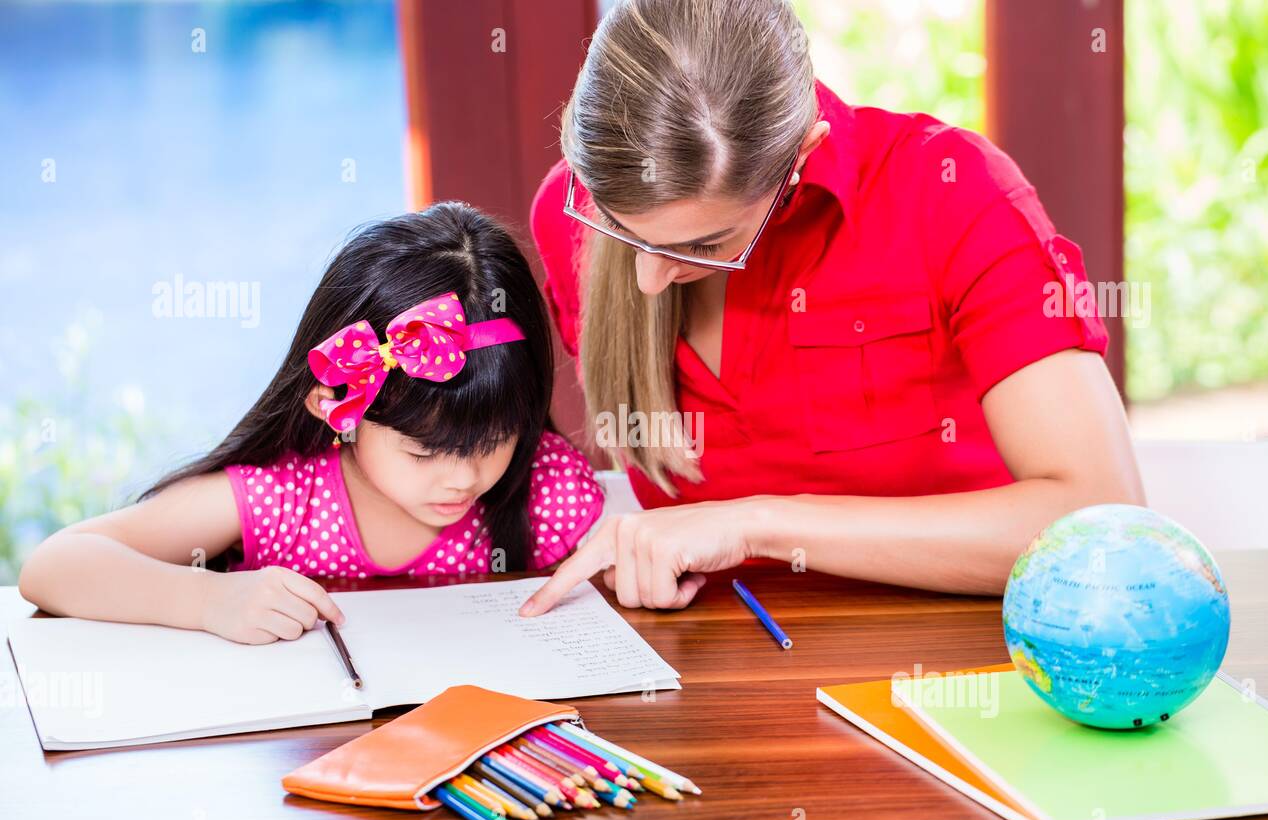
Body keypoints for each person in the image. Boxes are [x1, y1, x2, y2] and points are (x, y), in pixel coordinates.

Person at [519, 0, 1142, 616]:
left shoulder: (950, 190)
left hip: (959, 654)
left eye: (705, 244)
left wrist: (755, 526)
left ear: (801, 157)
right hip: (712, 670)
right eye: (623, 232)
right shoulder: (562, 212)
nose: (648, 281)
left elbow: (1100, 524)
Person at [20, 203, 604, 643]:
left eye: (494, 441)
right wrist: (207, 601)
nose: (463, 478)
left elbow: (622, 577)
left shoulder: (545, 491)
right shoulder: (285, 500)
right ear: (336, 406)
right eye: (423, 453)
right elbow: (55, 565)